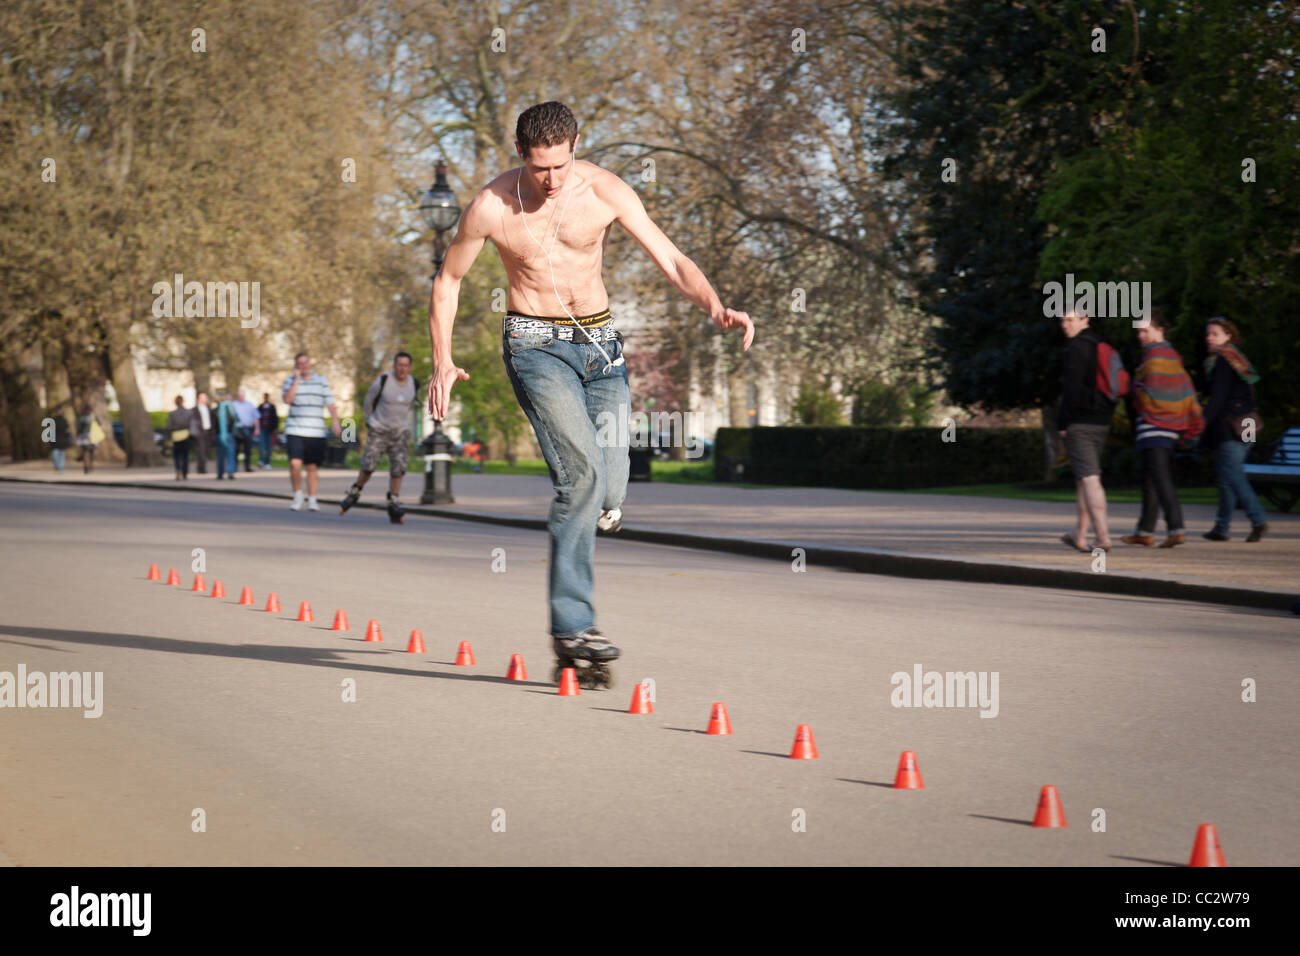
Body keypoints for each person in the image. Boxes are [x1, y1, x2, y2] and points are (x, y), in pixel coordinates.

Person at [426, 101, 754, 684]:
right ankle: (573, 625)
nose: (551, 181)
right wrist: (442, 361)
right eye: (538, 169)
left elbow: (670, 257)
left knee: (611, 489)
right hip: (535, 346)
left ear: (577, 143)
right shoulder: (491, 206)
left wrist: (714, 306)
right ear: (521, 155)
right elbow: (448, 279)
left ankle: (595, 519)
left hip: (602, 347)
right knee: (580, 478)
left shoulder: (605, 191)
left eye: (560, 166)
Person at [1120, 310, 1203, 548]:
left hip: (1156, 425)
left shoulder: (1157, 354)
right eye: (1138, 331)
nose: (1141, 335)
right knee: (1149, 478)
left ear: (1160, 330)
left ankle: (1176, 527)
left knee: (1160, 476)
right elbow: (1185, 390)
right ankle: (1144, 530)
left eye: (1145, 330)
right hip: (1164, 426)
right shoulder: (1171, 356)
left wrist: (1137, 388)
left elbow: (1153, 391)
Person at [1200, 317, 1268, 542]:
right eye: (1208, 334)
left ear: (1228, 336)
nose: (1210, 338)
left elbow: (1218, 397)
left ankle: (1258, 519)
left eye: (1215, 334)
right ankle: (1221, 527)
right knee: (1227, 474)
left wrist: (1201, 423)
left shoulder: (1223, 360)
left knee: (1231, 472)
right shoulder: (1238, 359)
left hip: (1231, 424)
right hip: (1248, 424)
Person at [1056, 308, 1115, 552]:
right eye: (1062, 320)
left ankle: (1102, 537)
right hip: (1102, 420)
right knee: (1083, 478)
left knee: (1090, 479)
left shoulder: (1076, 348)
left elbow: (1071, 390)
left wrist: (1062, 423)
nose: (1065, 325)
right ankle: (1079, 534)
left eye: (1070, 320)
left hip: (1080, 422)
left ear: (1085, 319)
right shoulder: (1101, 344)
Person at [340, 352, 420, 522]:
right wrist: (369, 420)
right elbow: (368, 400)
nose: (402, 369)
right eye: (399, 365)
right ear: (394, 366)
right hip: (379, 430)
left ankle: (394, 499)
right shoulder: (383, 381)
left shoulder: (414, 384)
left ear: (410, 367)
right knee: (369, 465)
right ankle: (356, 489)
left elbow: (411, 406)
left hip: (400, 431)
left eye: (406, 365)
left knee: (399, 467)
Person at [282, 351, 342, 511]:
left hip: (315, 431)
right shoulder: (289, 381)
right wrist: (296, 380)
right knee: (295, 464)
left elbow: (330, 403)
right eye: (300, 364)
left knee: (312, 467)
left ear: (309, 364)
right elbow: (287, 400)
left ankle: (313, 499)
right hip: (295, 429)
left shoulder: (321, 381)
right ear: (296, 366)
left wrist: (335, 422)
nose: (303, 366)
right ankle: (297, 495)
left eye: (305, 363)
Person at [232, 388, 260, 472]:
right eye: (240, 396)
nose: (241, 397)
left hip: (248, 429)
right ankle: (234, 467)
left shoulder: (250, 405)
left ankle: (247, 466)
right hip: (237, 430)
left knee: (247, 449)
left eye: (242, 396)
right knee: (236, 449)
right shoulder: (234, 404)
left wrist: (257, 429)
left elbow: (256, 417)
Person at [166, 395, 193, 480]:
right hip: (186, 435)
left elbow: (169, 426)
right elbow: (191, 425)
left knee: (177, 456)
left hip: (176, 436)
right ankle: (185, 472)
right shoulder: (189, 413)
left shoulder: (172, 414)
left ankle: (178, 470)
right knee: (185, 456)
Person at [214, 391, 237, 480]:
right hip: (230, 433)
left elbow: (214, 423)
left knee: (220, 455)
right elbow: (234, 420)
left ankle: (220, 473)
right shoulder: (231, 408)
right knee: (230, 454)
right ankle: (230, 472)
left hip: (220, 434)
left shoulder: (218, 409)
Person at [75, 405, 102, 473]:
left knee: (86, 452)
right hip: (92, 436)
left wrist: (78, 434)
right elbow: (100, 423)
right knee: (90, 452)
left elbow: (78, 428)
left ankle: (87, 466)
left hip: (85, 436)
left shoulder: (81, 417)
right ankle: (89, 466)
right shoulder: (93, 417)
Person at [191, 392, 213, 474]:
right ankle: (201, 468)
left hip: (208, 431)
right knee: (201, 450)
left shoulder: (208, 408)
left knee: (206, 450)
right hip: (200, 432)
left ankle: (202, 466)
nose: (206, 399)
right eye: (204, 398)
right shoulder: (194, 410)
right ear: (199, 399)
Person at [49, 403, 73, 473]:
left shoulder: (64, 420)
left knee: (61, 454)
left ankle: (60, 468)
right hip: (55, 440)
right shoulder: (53, 420)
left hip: (62, 440)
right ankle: (58, 467)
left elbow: (67, 429)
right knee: (55, 454)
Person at [257, 392, 278, 469]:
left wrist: (275, 428)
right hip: (262, 429)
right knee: (262, 446)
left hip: (269, 430)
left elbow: (275, 418)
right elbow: (257, 418)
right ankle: (261, 460)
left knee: (269, 446)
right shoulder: (260, 407)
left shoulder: (272, 407)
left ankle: (267, 462)